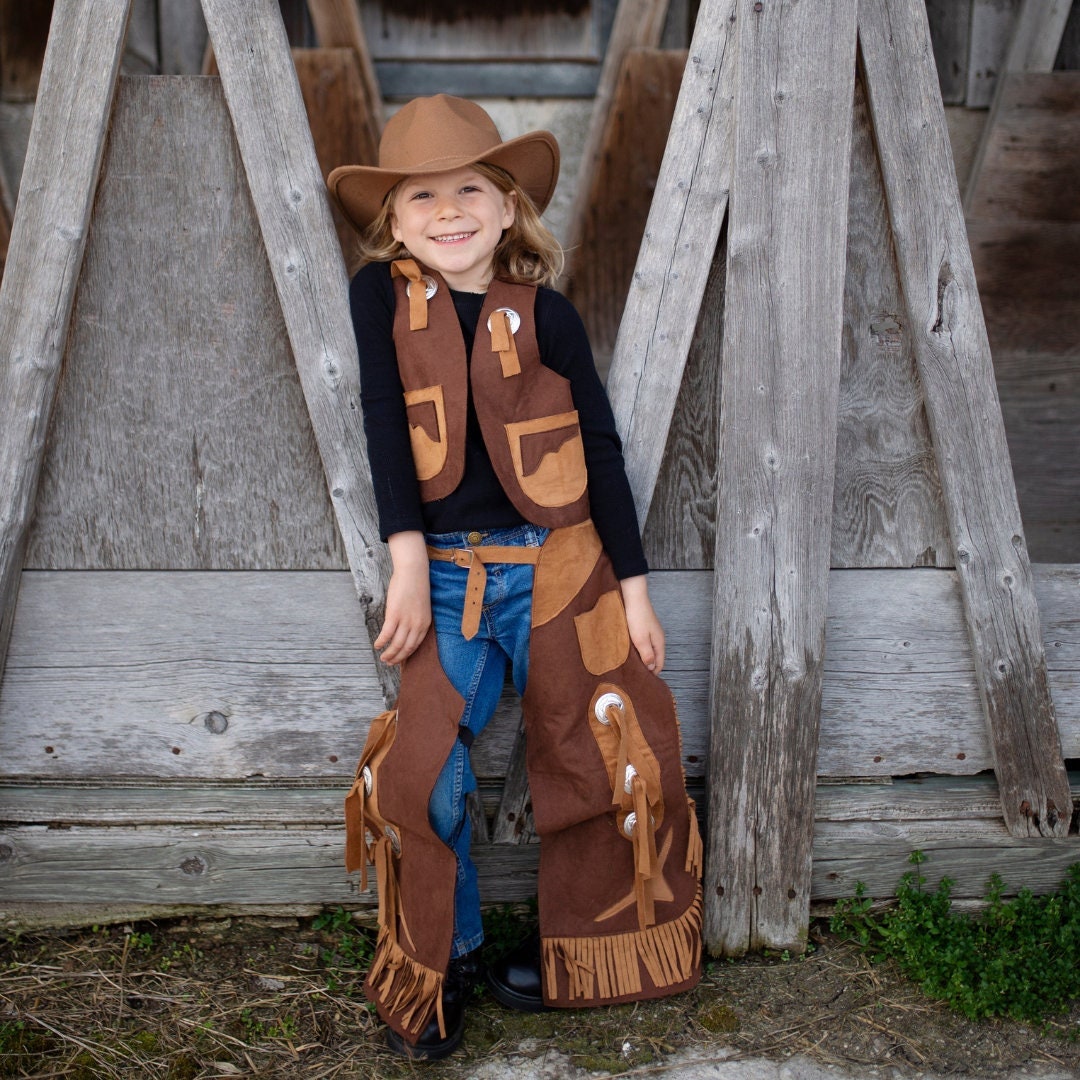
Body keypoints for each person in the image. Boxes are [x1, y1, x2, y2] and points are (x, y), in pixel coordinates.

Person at [328, 94, 702, 1061]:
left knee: (596, 751)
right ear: (394, 220)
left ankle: (591, 951)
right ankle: (442, 957)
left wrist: (635, 586)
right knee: (424, 773)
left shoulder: (550, 316)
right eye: (421, 198)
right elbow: (381, 419)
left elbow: (604, 453)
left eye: (468, 191)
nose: (446, 213)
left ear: (505, 209)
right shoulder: (382, 301)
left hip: (559, 569)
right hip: (448, 580)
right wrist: (407, 562)